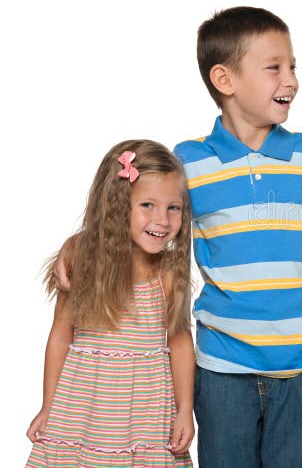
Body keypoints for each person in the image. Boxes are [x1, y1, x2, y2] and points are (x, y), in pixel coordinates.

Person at [173, 6, 302, 468]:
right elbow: (144, 224)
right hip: (224, 366)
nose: (292, 80)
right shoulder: (189, 163)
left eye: (293, 67)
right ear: (225, 80)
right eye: (274, 68)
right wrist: (77, 245)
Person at [26, 139, 195, 467]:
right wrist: (48, 406)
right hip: (81, 413)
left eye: (173, 207)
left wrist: (184, 409)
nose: (162, 219)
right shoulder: (81, 261)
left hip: (146, 419)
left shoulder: (168, 274)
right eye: (148, 205)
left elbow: (180, 341)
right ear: (119, 206)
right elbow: (61, 335)